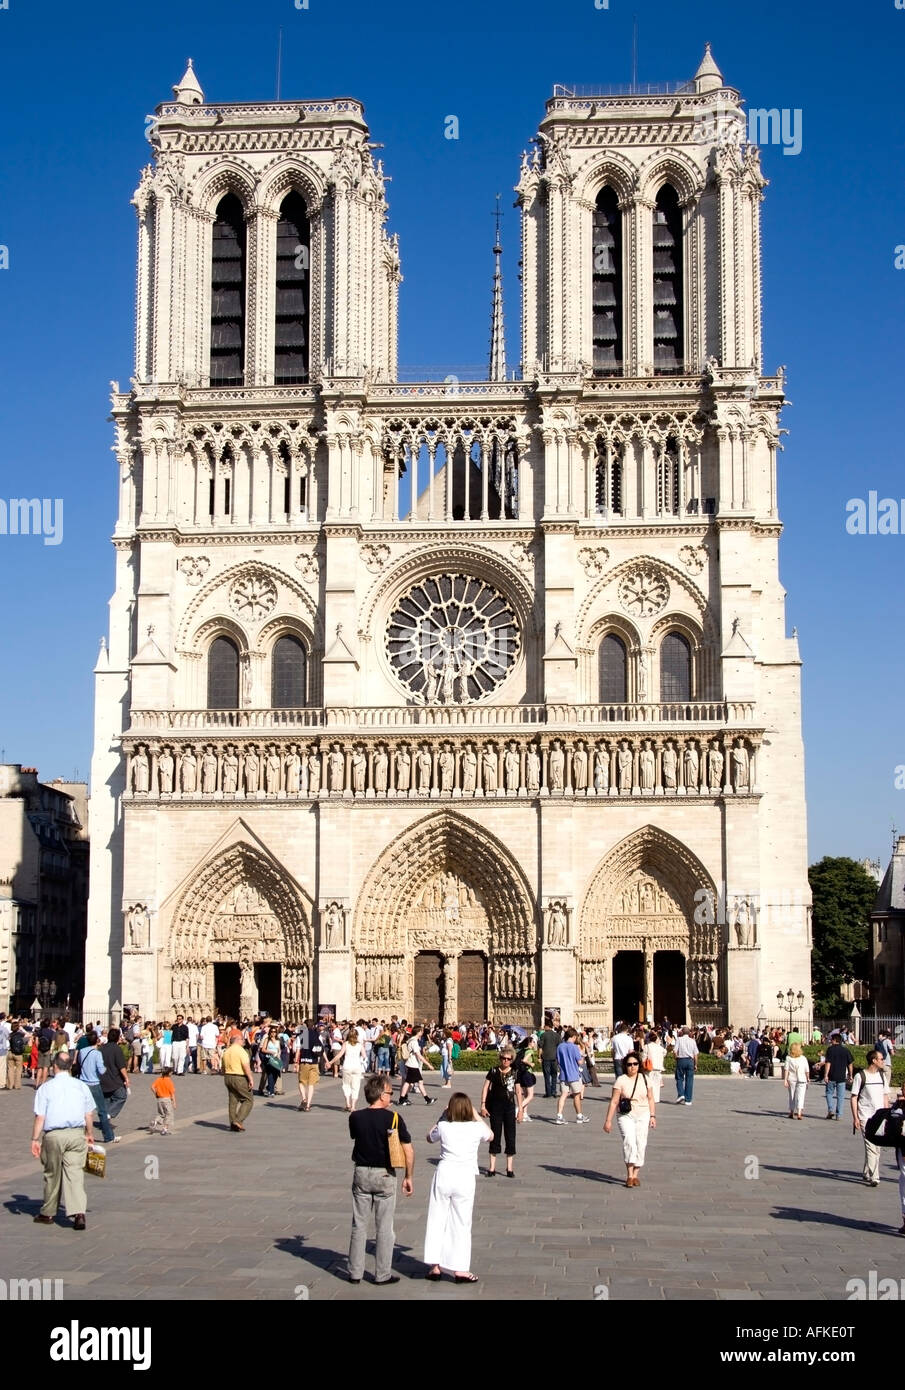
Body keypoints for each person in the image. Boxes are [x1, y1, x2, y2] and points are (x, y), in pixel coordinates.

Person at [347, 1073, 414, 1284]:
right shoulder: (393, 1118)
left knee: (359, 1225)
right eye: (390, 1092)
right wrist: (408, 1176)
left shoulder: (355, 1117)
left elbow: (355, 1137)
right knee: (384, 1227)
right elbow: (408, 1150)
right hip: (384, 1173)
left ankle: (355, 1273)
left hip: (361, 1173)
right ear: (381, 1095)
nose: (392, 1096)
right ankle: (382, 1273)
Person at [424, 1092, 493, 1283]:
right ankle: (460, 1269)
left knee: (437, 1218)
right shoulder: (475, 1128)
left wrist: (441, 1116)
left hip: (444, 1173)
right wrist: (476, 1114)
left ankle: (435, 1266)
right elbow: (491, 1135)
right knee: (462, 1222)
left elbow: (429, 1137)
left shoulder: (445, 1126)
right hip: (465, 1176)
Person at [31, 1053, 96, 1230]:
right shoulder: (81, 1086)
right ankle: (79, 1212)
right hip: (76, 1134)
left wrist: (35, 1139)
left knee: (52, 1173)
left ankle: (48, 1212)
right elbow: (88, 1114)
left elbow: (40, 1117)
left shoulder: (46, 1088)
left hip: (53, 1135)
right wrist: (89, 1133)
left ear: (55, 1066)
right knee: (75, 1173)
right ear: (70, 1066)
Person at [603, 1050, 656, 1187]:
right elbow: (614, 1101)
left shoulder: (645, 1079)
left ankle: (636, 1175)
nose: (632, 1067)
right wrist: (608, 1121)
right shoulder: (621, 1080)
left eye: (635, 1064)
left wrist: (652, 1116)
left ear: (639, 1065)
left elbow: (651, 1099)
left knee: (641, 1143)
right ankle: (629, 1175)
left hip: (643, 1114)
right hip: (626, 1115)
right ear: (625, 1066)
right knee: (629, 1142)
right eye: (629, 1064)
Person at [851, 1049, 891, 1188]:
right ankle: (875, 1176)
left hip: (880, 1117)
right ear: (874, 1060)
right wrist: (855, 1117)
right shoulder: (860, 1076)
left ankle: (867, 1171)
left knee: (877, 1148)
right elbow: (854, 1097)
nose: (883, 1061)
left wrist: (887, 1115)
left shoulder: (881, 1076)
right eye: (881, 1059)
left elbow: (886, 1095)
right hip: (865, 1116)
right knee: (871, 1146)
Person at [480, 1048, 522, 1176]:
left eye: (508, 1059)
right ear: (500, 1058)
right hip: (495, 1107)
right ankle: (492, 1167)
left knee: (510, 1136)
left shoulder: (515, 1072)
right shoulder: (493, 1071)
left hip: (509, 1107)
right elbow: (485, 1087)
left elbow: (518, 1091)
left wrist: (520, 1110)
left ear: (512, 1060)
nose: (505, 1061)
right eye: (503, 1058)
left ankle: (509, 1168)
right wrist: (483, 1105)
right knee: (494, 1135)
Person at [76, 1031, 119, 1146]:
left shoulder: (82, 1051)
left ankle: (81, 1135)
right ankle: (108, 1136)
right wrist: (104, 1068)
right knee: (102, 1111)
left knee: (83, 1111)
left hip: (83, 1083)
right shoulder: (97, 1054)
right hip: (94, 1083)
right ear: (97, 1041)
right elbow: (101, 1070)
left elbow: (79, 1064)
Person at [222, 1030, 255, 1131]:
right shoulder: (241, 1051)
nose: (244, 1041)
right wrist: (250, 1079)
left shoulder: (227, 1051)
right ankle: (238, 1120)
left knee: (233, 1100)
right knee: (248, 1100)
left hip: (228, 1077)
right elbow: (246, 1066)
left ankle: (232, 1123)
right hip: (239, 1077)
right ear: (237, 1040)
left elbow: (222, 1067)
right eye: (242, 1039)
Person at [554, 1028, 589, 1124]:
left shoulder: (560, 1047)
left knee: (563, 1095)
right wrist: (583, 1056)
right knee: (577, 1095)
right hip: (574, 1075)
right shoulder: (574, 1047)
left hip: (563, 1075)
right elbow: (580, 1062)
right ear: (573, 1037)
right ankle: (579, 1116)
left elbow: (557, 1060)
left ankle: (559, 1116)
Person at [398, 1027, 436, 1106]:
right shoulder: (414, 1042)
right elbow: (419, 1055)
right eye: (421, 1031)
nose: (422, 1033)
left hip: (411, 1064)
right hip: (413, 1065)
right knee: (412, 1082)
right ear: (418, 1032)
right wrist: (428, 1064)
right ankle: (426, 1099)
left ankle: (403, 1098)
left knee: (411, 1082)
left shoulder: (411, 1040)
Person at [99, 1028, 131, 1122]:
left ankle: (106, 1122)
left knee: (107, 1099)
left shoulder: (102, 1048)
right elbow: (121, 1066)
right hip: (114, 1079)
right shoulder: (117, 1049)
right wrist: (126, 1078)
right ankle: (108, 1114)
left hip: (103, 1078)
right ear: (117, 1038)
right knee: (121, 1096)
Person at [334, 1027, 367, 1112]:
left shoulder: (346, 1044)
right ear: (357, 1036)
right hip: (357, 1067)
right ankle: (353, 1106)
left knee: (346, 1085)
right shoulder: (360, 1045)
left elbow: (339, 1055)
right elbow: (364, 1056)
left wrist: (330, 1062)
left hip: (347, 1066)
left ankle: (347, 1104)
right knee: (355, 1087)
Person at [822, 1030, 853, 1121]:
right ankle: (839, 1114)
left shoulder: (830, 1050)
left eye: (831, 1039)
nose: (831, 1041)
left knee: (829, 1093)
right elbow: (850, 1064)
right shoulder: (846, 1050)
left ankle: (830, 1110)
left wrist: (826, 1075)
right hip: (841, 1077)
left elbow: (828, 1063)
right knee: (840, 1096)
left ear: (835, 1040)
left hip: (831, 1075)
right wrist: (850, 1075)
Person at [295, 1019, 324, 1111]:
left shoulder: (302, 1035)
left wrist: (296, 1062)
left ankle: (304, 1099)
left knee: (301, 1082)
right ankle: (308, 1105)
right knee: (311, 1084)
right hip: (314, 1062)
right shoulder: (317, 1035)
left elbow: (298, 1049)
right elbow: (321, 1048)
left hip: (304, 1061)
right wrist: (327, 1061)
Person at [783, 1041, 809, 1118]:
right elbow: (807, 1070)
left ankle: (791, 1111)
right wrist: (808, 1078)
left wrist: (785, 1080)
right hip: (802, 1079)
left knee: (792, 1095)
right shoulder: (803, 1058)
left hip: (791, 1078)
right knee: (801, 1096)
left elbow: (786, 1069)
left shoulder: (788, 1058)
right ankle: (799, 1112)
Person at [674, 1027, 698, 1105]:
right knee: (689, 1080)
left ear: (682, 1032)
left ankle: (681, 1094)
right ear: (689, 1033)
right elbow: (695, 1054)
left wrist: (676, 1057)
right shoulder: (692, 1041)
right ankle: (688, 1100)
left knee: (679, 1078)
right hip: (690, 1060)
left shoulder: (679, 1039)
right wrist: (696, 1064)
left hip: (681, 1060)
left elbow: (675, 1051)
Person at [641, 1028, 666, 1103]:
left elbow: (643, 1057)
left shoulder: (647, 1046)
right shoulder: (660, 1048)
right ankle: (656, 1099)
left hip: (649, 1068)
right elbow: (664, 1053)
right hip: (658, 1068)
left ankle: (649, 1098)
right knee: (656, 1085)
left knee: (649, 1084)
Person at [149, 1067, 176, 1134]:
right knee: (169, 1114)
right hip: (167, 1099)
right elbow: (172, 1093)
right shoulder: (169, 1081)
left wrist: (156, 1093)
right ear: (169, 1073)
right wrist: (174, 1102)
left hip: (159, 1099)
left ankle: (155, 1121)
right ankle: (165, 1128)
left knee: (161, 1114)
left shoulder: (159, 1079)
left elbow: (152, 1087)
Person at [259, 1026, 283, 1098]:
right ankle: (271, 1092)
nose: (273, 1033)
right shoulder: (267, 1039)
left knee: (276, 1074)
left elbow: (279, 1049)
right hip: (269, 1058)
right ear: (270, 1032)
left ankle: (269, 1087)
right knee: (270, 1074)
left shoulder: (278, 1040)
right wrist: (270, 1052)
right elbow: (263, 1049)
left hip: (276, 1058)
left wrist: (279, 1055)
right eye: (272, 1032)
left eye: (275, 1032)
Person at [539, 1020, 561, 1098]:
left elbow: (540, 1047)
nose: (544, 1027)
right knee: (554, 1075)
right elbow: (559, 1047)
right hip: (555, 1058)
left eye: (545, 1026)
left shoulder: (543, 1035)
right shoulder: (557, 1035)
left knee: (547, 1076)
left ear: (548, 1026)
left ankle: (548, 1093)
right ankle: (554, 1092)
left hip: (546, 1058)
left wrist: (539, 1057)